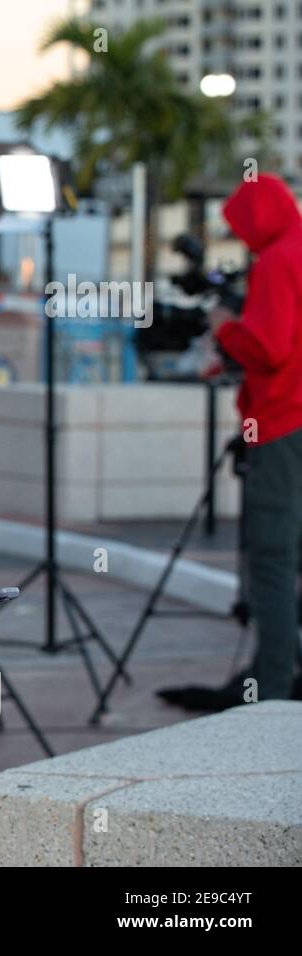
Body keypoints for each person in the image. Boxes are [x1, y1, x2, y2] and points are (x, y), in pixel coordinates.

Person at [171, 174, 302, 711]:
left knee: (272, 560)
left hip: (281, 426)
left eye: (244, 227)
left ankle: (272, 690)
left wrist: (225, 328)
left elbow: (270, 350)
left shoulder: (277, 261)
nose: (243, 239)